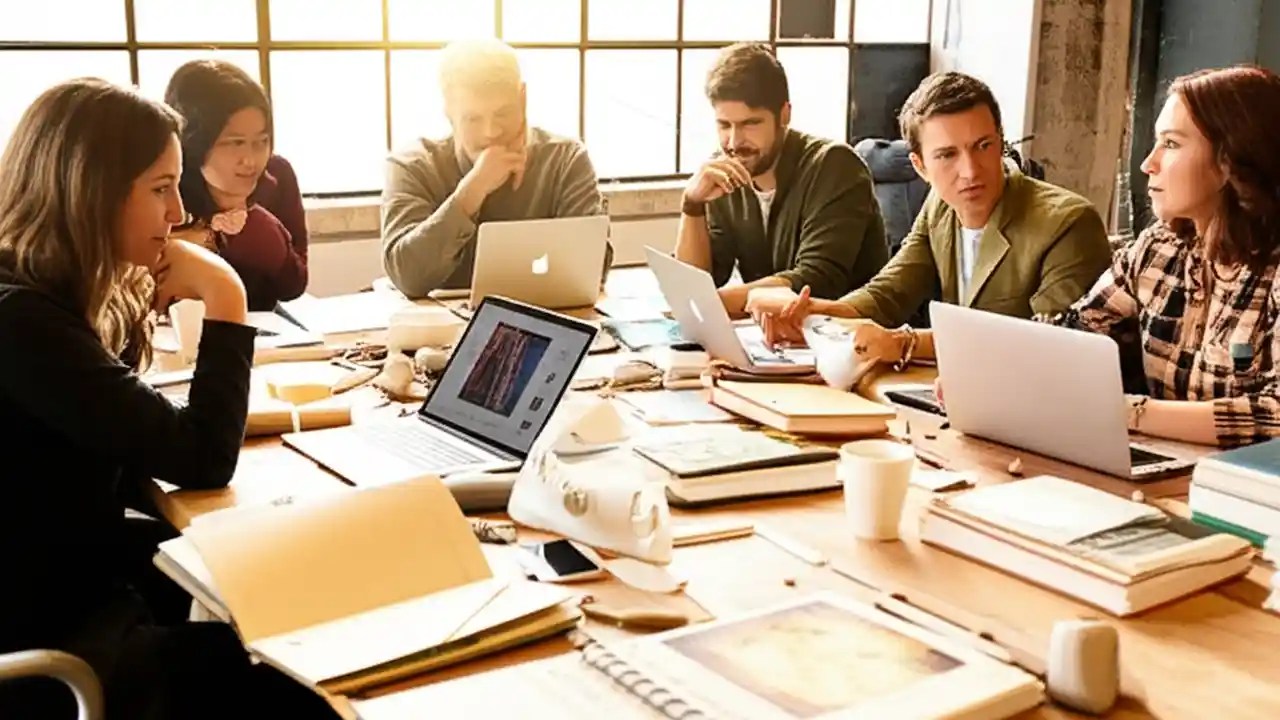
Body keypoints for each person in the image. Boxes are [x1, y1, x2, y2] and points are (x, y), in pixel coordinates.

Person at [0, 79, 336, 718]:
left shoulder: (32, 293)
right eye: (160, 188)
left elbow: (115, 447)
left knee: (274, 593)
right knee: (321, 683)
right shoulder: (23, 325)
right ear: (89, 193)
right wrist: (227, 298)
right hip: (56, 646)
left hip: (69, 589)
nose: (178, 211)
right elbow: (201, 458)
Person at [746, 71, 1111, 368]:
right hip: (962, 395)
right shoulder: (940, 204)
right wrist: (813, 316)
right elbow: (888, 293)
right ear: (920, 166)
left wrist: (904, 343)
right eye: (947, 155)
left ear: (1001, 143)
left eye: (983, 146)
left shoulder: (1069, 223)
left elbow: (1049, 347)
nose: (969, 171)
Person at [1033, 65, 1280, 447]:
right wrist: (997, 375)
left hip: (1248, 493)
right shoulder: (1157, 248)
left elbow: (1276, 414)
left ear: (1228, 163)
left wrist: (1129, 413)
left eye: (1171, 144)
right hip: (1157, 468)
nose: (1149, 163)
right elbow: (1080, 331)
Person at [382, 39, 609, 298]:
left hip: (544, 318)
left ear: (523, 99)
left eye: (503, 113)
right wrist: (470, 192)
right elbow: (407, 277)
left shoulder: (565, 159)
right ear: (448, 111)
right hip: (440, 332)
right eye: (473, 119)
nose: (491, 132)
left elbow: (593, 269)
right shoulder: (412, 166)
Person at [676, 42, 887, 316]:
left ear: (785, 114)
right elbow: (697, 283)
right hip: (778, 341)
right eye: (724, 125)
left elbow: (815, 280)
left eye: (751, 123)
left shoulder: (835, 165)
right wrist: (692, 204)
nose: (735, 142)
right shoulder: (725, 172)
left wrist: (702, 305)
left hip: (850, 341)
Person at [164, 59, 309, 311]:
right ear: (195, 141)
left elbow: (294, 286)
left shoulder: (277, 176)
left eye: (261, 141)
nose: (250, 160)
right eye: (235, 143)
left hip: (268, 338)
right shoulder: (165, 187)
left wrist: (262, 232)